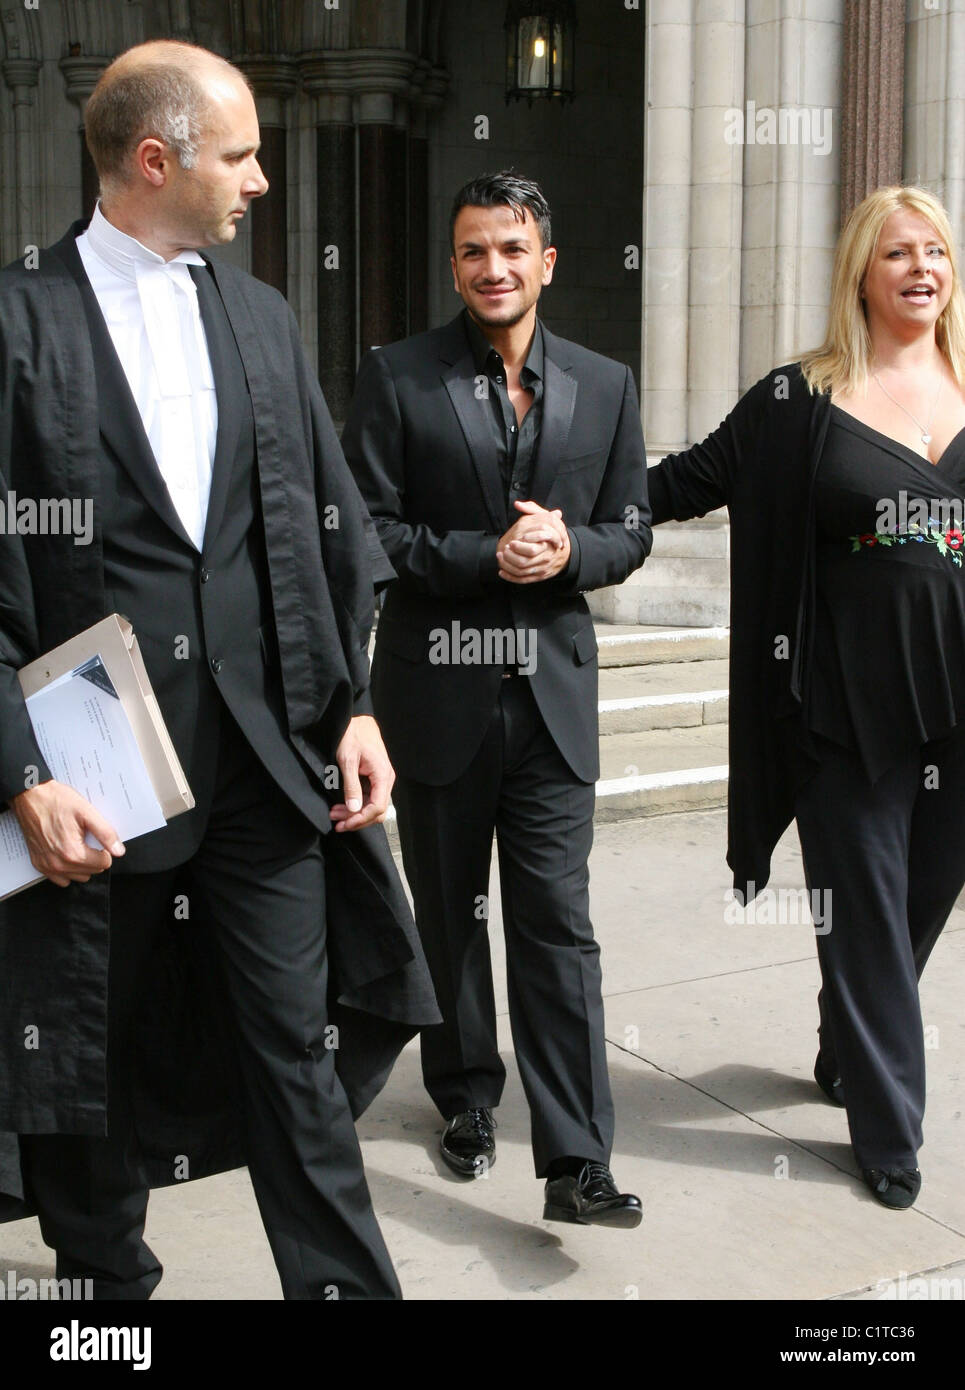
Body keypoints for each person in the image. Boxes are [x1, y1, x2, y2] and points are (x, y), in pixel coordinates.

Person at [0, 39, 439, 1299]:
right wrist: (25, 771)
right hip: (97, 770)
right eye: (240, 153)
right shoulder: (18, 319)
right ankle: (104, 1295)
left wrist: (350, 702)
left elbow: (319, 523)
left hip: (261, 756)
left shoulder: (260, 314)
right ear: (157, 159)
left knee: (293, 1048)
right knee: (89, 1041)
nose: (258, 178)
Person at [646, 184, 965, 1210]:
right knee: (865, 917)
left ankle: (844, 1040)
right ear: (858, 275)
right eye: (895, 253)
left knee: (920, 901)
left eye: (935, 252)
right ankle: (888, 1131)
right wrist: (557, 503)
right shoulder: (802, 397)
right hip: (840, 704)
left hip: (957, 705)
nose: (919, 268)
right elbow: (682, 479)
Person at [342, 172, 650, 1227]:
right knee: (452, 916)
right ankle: (466, 1097)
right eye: (473, 251)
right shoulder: (396, 376)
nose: (493, 269)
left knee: (558, 924)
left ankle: (577, 1160)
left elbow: (632, 527)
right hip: (434, 695)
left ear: (545, 261)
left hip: (554, 702)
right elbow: (367, 532)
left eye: (511, 250)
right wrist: (485, 557)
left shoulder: (605, 384)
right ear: (455, 263)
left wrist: (570, 549)